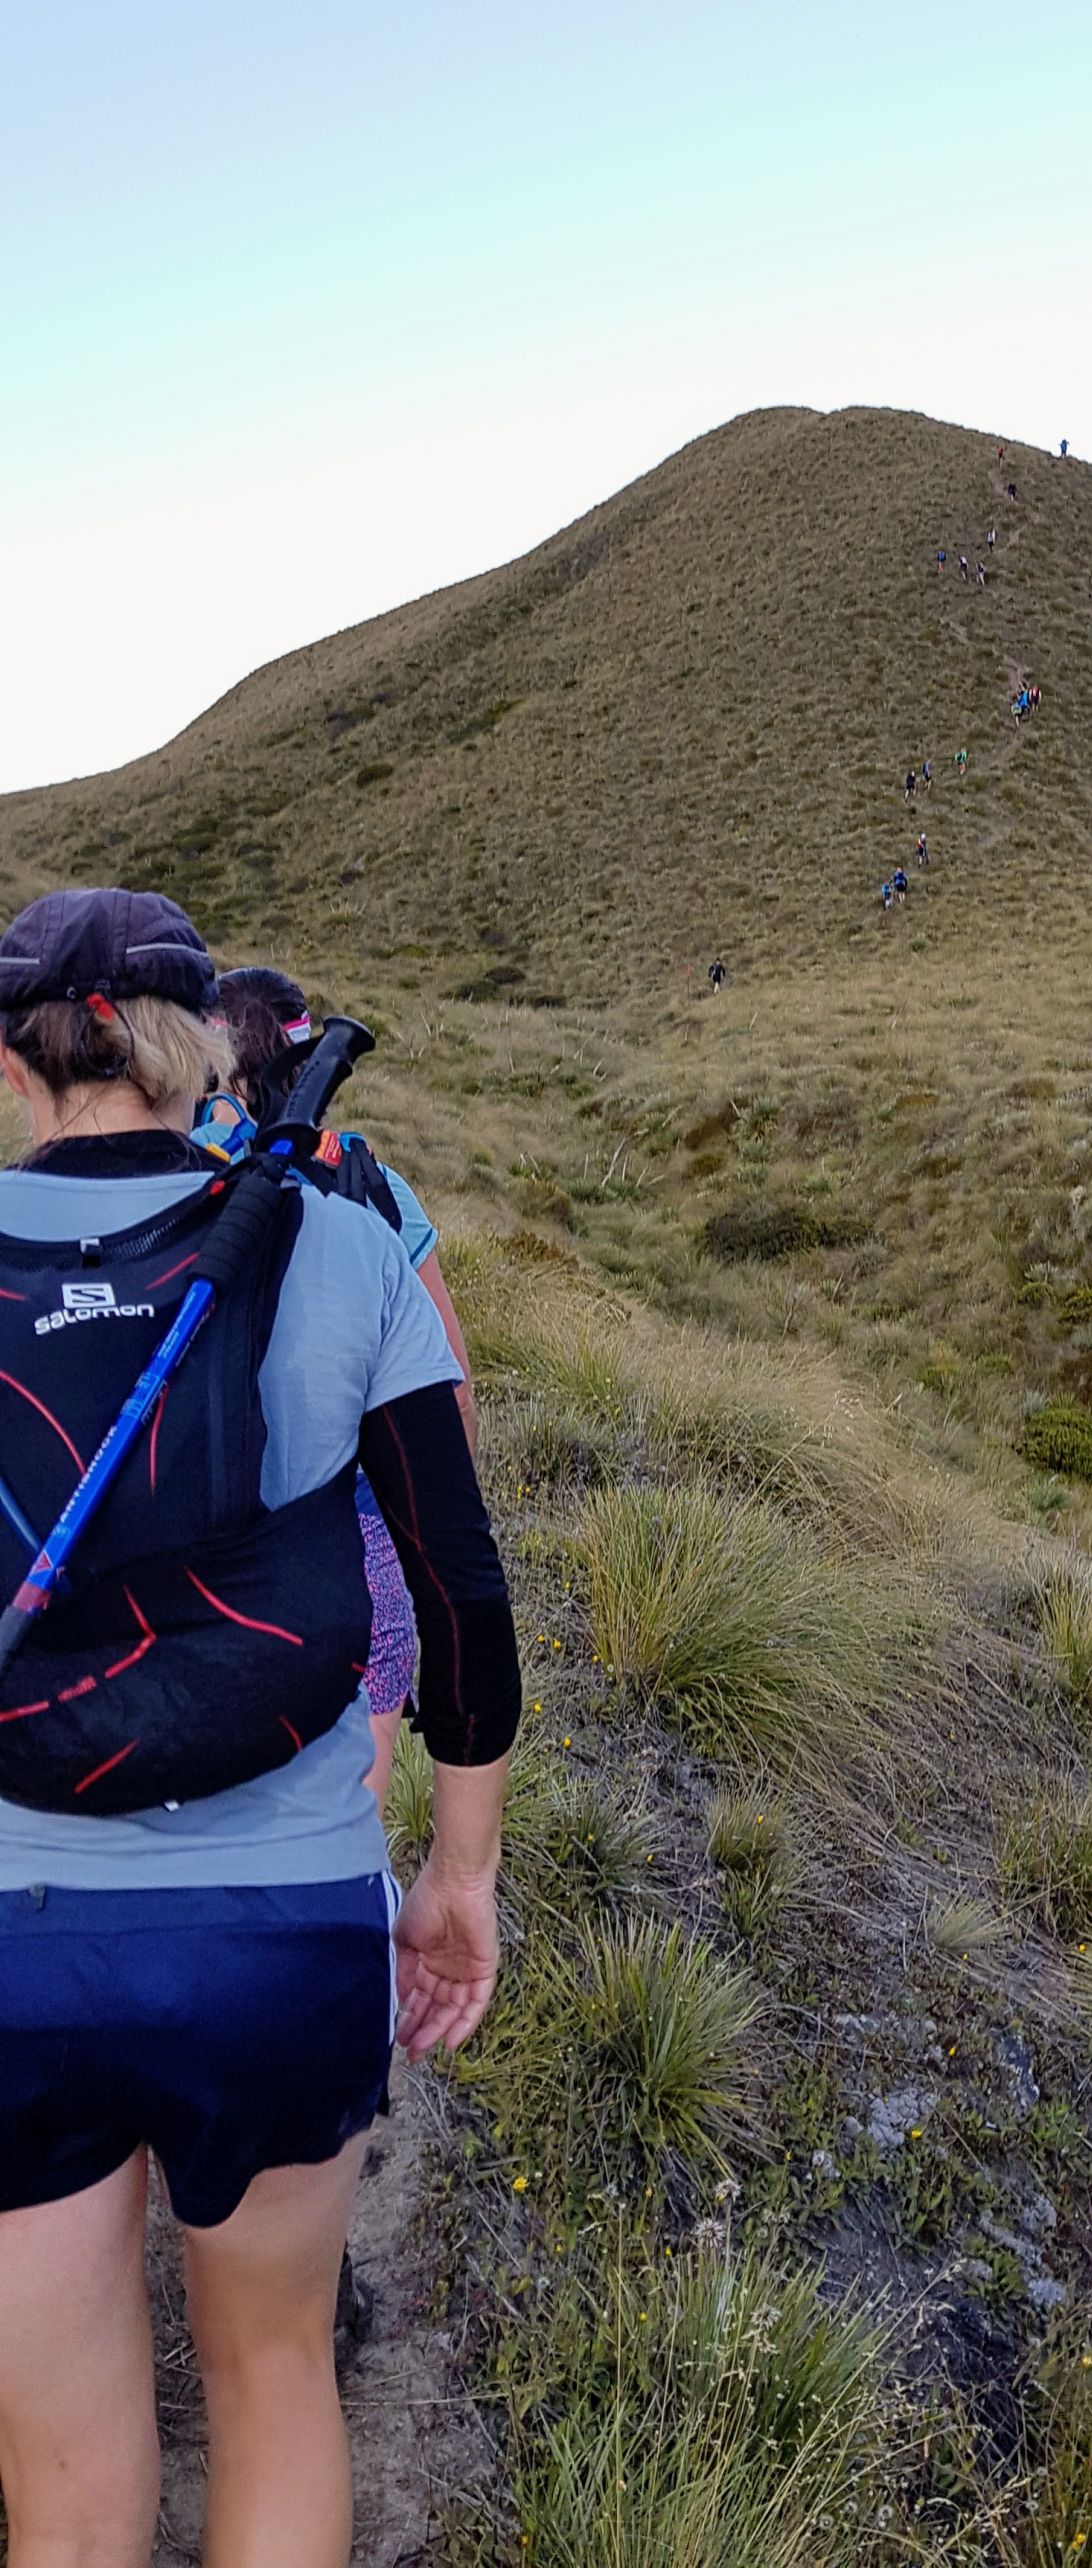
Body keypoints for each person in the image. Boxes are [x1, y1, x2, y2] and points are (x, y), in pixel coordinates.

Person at [0, 887, 519, 2568]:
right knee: (275, 2369)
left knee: (67, 2501)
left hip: (18, 1942)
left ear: (16, 1058)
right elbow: (460, 1604)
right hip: (287, 1924)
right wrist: (457, 1877)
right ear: (196, 1045)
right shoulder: (348, 1241)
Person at [203, 966, 479, 1806]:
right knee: (351, 1807)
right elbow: (451, 1388)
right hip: (359, 1528)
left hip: (202, 1522)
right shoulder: (373, 1187)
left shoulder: (170, 1178)